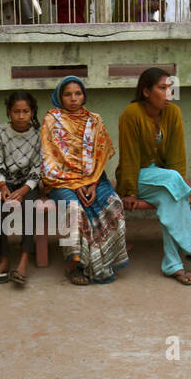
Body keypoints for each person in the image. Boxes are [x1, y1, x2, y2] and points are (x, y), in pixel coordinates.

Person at [117, 68, 191, 285]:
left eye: (170, 88)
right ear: (146, 91)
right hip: (137, 177)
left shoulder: (173, 113)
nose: (168, 93)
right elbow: (129, 156)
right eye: (162, 88)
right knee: (174, 185)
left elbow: (177, 156)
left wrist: (181, 191)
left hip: (165, 181)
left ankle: (173, 265)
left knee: (171, 199)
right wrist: (128, 192)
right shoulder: (132, 113)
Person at [40, 76, 128, 284]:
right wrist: (76, 183)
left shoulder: (94, 120)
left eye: (78, 94)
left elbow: (100, 154)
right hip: (60, 179)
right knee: (73, 208)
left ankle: (105, 260)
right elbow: (49, 159)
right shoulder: (52, 120)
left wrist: (93, 184)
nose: (73, 99)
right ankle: (75, 265)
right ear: (59, 97)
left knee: (113, 204)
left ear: (84, 96)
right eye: (68, 94)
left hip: (95, 178)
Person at [0, 90, 43, 286]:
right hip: (5, 181)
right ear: (9, 112)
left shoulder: (38, 135)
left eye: (26, 111)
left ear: (33, 112)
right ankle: (4, 259)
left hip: (28, 182)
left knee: (30, 207)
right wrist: (2, 185)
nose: (21, 116)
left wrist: (26, 189)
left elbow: (38, 166)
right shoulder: (0, 132)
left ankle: (24, 258)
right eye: (16, 111)